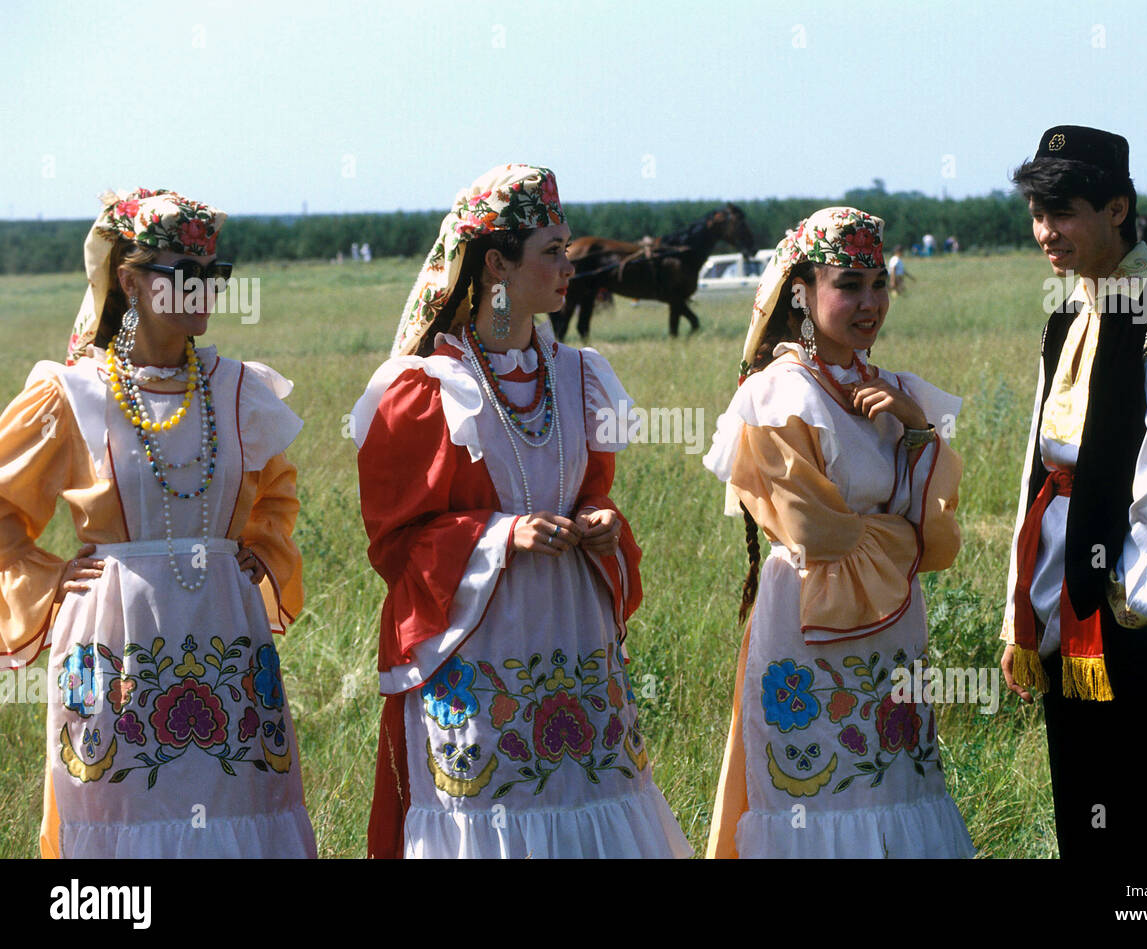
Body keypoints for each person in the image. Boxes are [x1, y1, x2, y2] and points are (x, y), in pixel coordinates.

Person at [352, 163, 690, 859]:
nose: (569, 267)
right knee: (495, 809)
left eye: (566, 248)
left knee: (591, 798)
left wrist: (600, 520)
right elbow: (396, 543)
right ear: (497, 264)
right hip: (482, 641)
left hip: (573, 631)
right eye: (551, 252)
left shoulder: (579, 376)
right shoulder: (425, 389)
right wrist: (502, 535)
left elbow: (589, 486)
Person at [0, 188, 315, 858]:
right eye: (185, 273)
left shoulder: (239, 389)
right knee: (123, 822)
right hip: (115, 640)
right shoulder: (71, 392)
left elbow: (277, 496)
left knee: (239, 812)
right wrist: (51, 578)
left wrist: (259, 548)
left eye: (215, 274)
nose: (205, 289)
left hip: (225, 637)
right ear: (130, 280)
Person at [702, 206, 971, 858]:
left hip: (893, 620)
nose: (869, 302)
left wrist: (914, 428)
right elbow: (815, 532)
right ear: (803, 292)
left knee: (894, 781)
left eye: (879, 283)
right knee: (818, 791)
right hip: (809, 615)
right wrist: (894, 530)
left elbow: (936, 529)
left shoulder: (894, 390)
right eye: (848, 284)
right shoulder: (779, 393)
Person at [1000, 127, 1147, 858]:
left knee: (1141, 799)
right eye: (1037, 213)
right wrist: (1023, 597)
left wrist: (1131, 602)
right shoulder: (1068, 313)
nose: (1045, 232)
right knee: (1081, 795)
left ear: (1118, 208)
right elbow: (1037, 468)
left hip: (1128, 607)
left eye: (1062, 212)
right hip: (1059, 590)